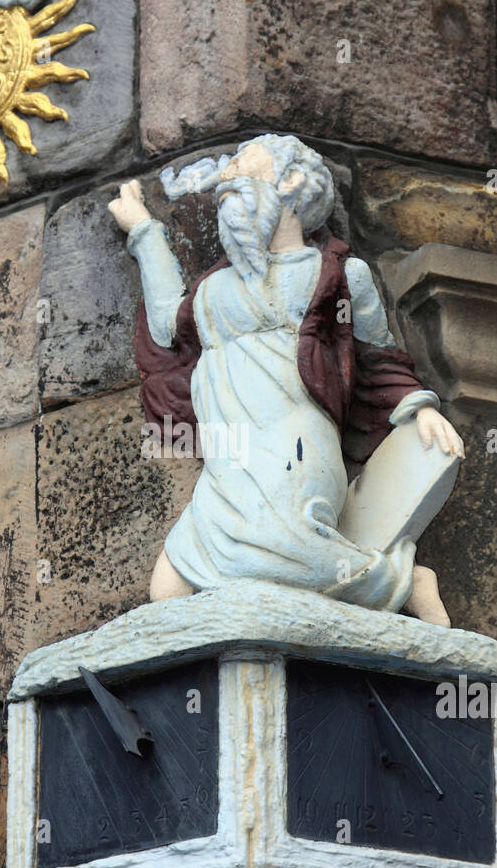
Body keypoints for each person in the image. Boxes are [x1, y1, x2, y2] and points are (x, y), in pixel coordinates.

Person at [109, 135, 464, 626]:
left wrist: (418, 407)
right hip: (229, 457)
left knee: (271, 558)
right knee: (167, 588)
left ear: (292, 180)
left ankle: (402, 582)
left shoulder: (338, 277)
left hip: (295, 447)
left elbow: (379, 356)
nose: (228, 181)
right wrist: (144, 230)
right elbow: (168, 323)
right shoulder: (216, 287)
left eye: (243, 172)